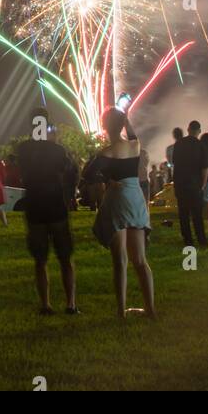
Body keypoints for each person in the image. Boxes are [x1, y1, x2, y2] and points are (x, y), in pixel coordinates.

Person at [91, 109, 156, 319]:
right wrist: (126, 119)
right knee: (140, 259)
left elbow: (88, 173)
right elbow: (134, 135)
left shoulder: (106, 152)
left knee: (120, 260)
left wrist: (108, 181)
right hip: (135, 197)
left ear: (104, 127)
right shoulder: (134, 146)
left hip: (117, 199)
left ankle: (121, 311)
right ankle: (151, 309)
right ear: (122, 125)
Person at [14, 107, 79, 315]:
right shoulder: (57, 150)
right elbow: (70, 172)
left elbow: (22, 174)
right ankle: (70, 303)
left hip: (34, 205)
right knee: (65, 258)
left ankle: (45, 304)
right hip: (56, 205)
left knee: (40, 260)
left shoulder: (23, 149)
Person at [172, 120, 208, 248]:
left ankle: (188, 240)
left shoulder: (178, 144)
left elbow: (175, 164)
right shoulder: (201, 145)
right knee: (197, 215)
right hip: (196, 185)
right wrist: (203, 185)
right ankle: (201, 239)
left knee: (184, 214)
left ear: (188, 129)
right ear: (199, 131)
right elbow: (205, 168)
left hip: (181, 184)